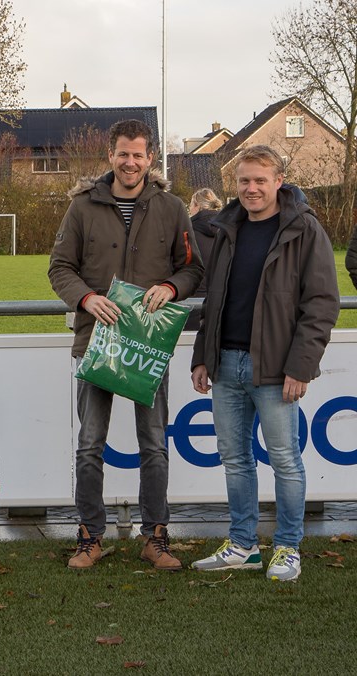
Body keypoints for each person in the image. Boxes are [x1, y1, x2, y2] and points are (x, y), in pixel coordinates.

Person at [48, 119, 204, 571]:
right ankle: (89, 536)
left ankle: (155, 535)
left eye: (138, 154)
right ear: (111, 156)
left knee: (154, 443)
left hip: (147, 345)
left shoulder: (173, 208)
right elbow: (59, 267)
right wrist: (87, 297)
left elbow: (194, 269)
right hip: (95, 340)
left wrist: (173, 288)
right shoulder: (82, 207)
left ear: (150, 158)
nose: (130, 162)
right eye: (122, 153)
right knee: (89, 443)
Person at [190, 145, 339, 582]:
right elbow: (213, 300)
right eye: (244, 181)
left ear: (278, 181)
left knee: (285, 461)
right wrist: (203, 356)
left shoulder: (304, 230)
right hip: (226, 366)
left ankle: (288, 548)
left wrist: (300, 365)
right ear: (234, 185)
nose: (252, 189)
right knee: (235, 460)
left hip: (276, 368)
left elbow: (321, 304)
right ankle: (243, 545)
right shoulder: (226, 229)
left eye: (260, 180)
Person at [184, 188, 224, 332]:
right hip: (221, 305)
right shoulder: (229, 231)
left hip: (191, 304)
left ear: (197, 206)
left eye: (190, 206)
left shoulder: (187, 234)